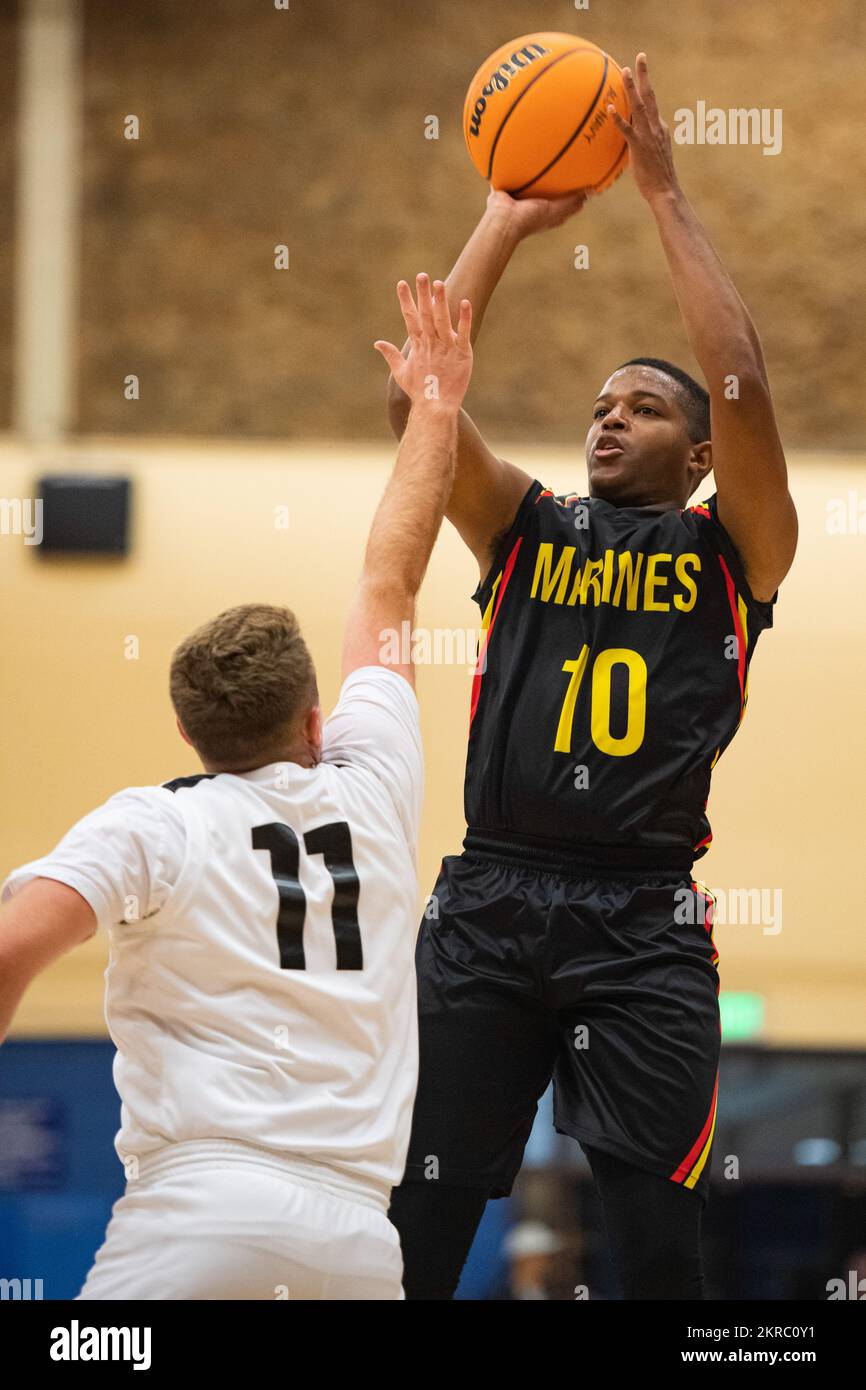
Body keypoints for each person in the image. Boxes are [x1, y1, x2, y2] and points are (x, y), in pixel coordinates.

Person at [385, 55, 798, 1299]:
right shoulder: (529, 527)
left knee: (653, 1240)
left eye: (643, 409)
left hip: (643, 915)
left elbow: (742, 382)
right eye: (599, 404)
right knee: (425, 1213)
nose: (607, 419)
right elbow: (423, 413)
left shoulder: (737, 549)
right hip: (493, 896)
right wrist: (501, 220)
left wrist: (663, 194)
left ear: (700, 453)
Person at [0, 274, 473, 1300]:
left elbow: (10, 947)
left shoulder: (152, 825)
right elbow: (388, 580)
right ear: (315, 719)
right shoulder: (375, 787)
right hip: (356, 1238)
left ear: (184, 731)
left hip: (198, 1215)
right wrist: (434, 407)